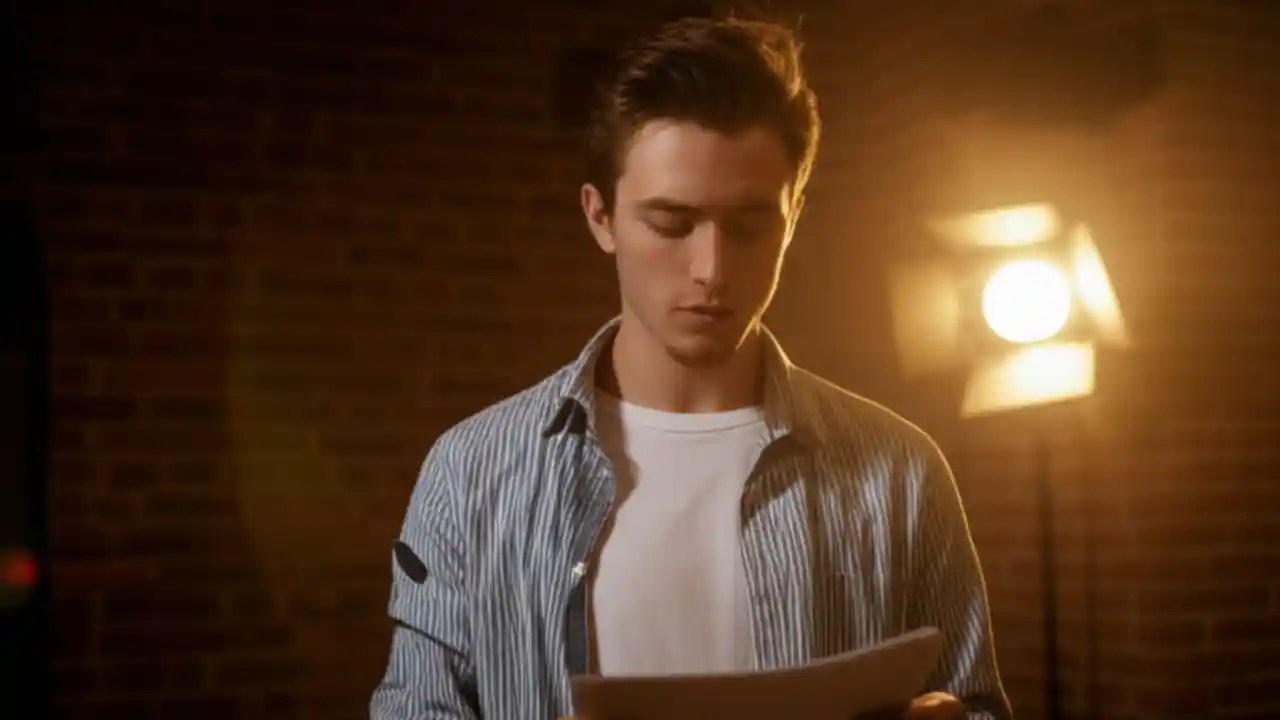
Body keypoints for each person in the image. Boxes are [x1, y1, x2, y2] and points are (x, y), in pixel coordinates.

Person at [371, 15, 1011, 720]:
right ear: (600, 217)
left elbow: (974, 702)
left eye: (749, 227)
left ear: (794, 217)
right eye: (672, 224)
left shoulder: (899, 473)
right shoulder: (473, 472)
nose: (711, 269)